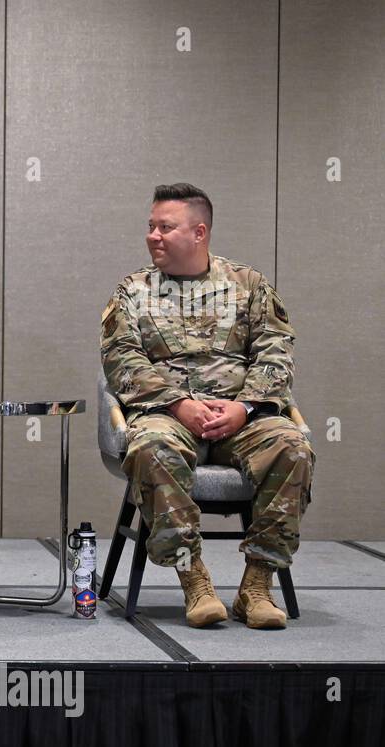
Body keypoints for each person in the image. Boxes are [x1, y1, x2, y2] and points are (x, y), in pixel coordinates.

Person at [101, 183, 313, 629]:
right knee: (151, 448)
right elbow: (122, 359)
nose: (153, 235)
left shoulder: (248, 284)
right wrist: (178, 404)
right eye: (151, 226)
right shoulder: (132, 291)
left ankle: (256, 586)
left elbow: (277, 351)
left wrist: (246, 407)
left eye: (166, 227)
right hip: (166, 417)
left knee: (292, 447)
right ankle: (193, 579)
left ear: (199, 232)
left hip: (239, 418)